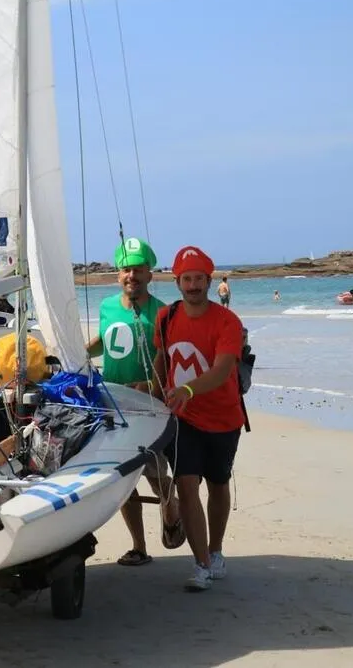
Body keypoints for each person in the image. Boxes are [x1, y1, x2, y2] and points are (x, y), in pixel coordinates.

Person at [153, 245, 246, 592]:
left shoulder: (227, 322)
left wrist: (188, 389)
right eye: (186, 279)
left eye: (198, 279)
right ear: (177, 282)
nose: (192, 285)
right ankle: (202, 564)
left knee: (218, 484)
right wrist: (153, 391)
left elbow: (222, 370)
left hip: (223, 417)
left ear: (209, 281)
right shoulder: (167, 317)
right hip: (183, 418)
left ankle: (216, 550)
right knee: (186, 484)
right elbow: (162, 358)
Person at [85, 237, 182, 567]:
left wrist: (153, 386)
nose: (132, 276)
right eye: (126, 269)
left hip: (149, 407)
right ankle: (139, 546)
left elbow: (168, 357)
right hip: (112, 402)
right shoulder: (107, 307)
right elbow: (106, 341)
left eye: (139, 270)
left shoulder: (163, 312)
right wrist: (77, 354)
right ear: (118, 274)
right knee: (123, 479)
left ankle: (171, 512)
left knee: (156, 477)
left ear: (150, 275)